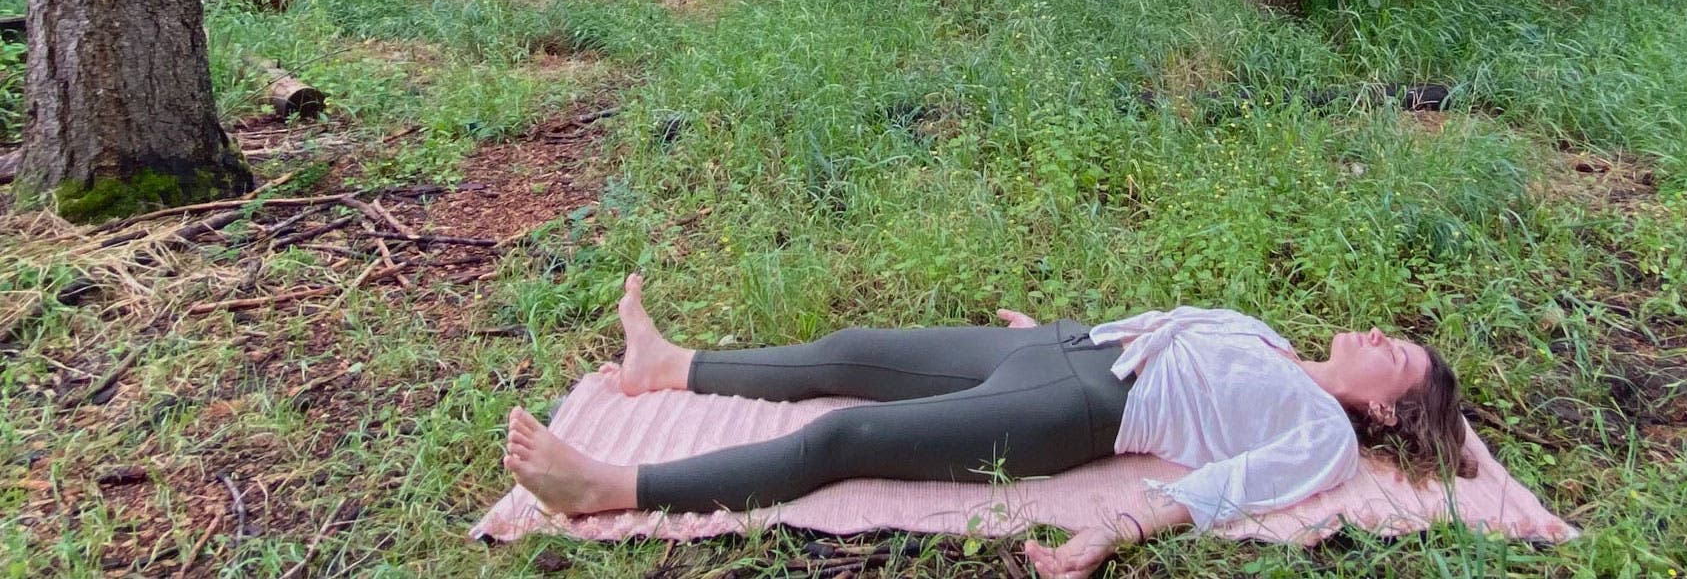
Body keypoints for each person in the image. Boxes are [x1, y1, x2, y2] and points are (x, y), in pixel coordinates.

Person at [503, 275, 1472, 579]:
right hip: (1062, 347)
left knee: (841, 440)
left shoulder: (1323, 437)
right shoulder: (1273, 340)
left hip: (1074, 411)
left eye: (1393, 353)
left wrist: (1113, 530)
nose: (1374, 335)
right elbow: (1160, 329)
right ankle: (668, 365)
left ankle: (607, 487)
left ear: (1388, 408)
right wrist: (1046, 330)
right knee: (849, 350)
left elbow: (1222, 489)